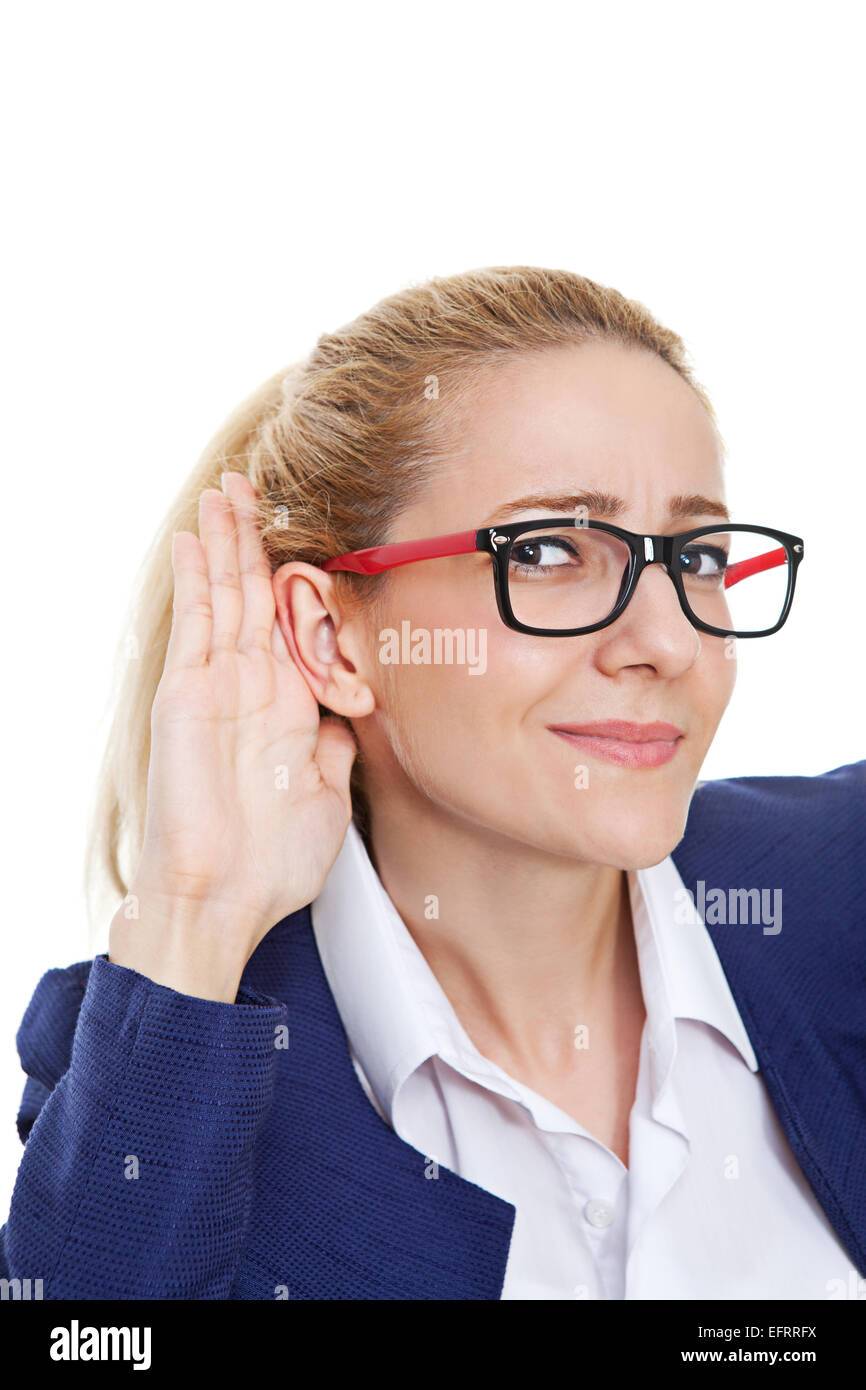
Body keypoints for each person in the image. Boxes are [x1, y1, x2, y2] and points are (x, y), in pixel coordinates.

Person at [1, 266, 863, 1300]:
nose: (667, 641)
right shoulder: (168, 1071)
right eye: (547, 549)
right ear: (333, 638)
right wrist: (197, 912)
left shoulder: (838, 892)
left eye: (695, 558)